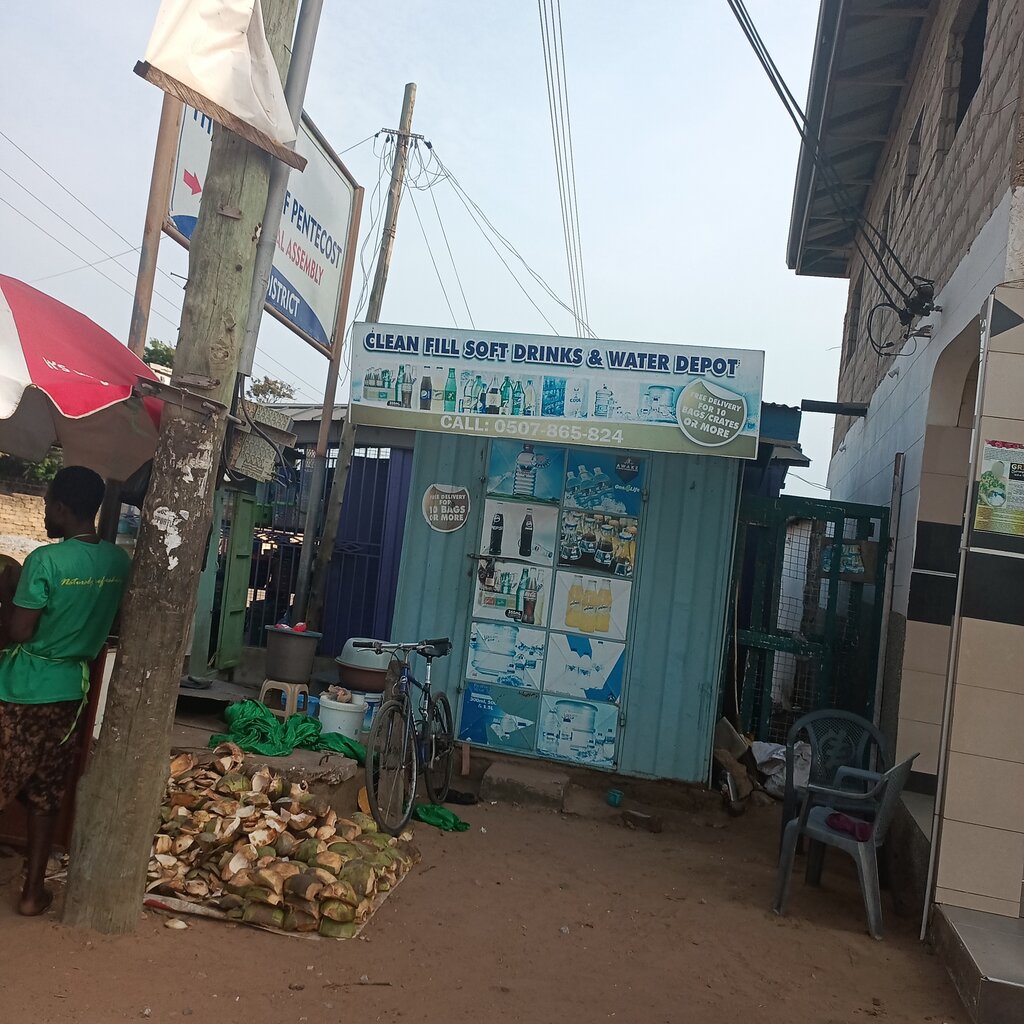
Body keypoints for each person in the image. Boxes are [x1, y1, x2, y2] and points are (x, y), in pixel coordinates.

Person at [0, 466, 131, 915]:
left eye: (44, 505)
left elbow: (18, 632)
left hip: (22, 688)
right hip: (71, 694)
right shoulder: (117, 562)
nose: (42, 514)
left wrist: (7, 590)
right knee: (46, 791)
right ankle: (33, 893)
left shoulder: (45, 560)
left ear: (60, 507)